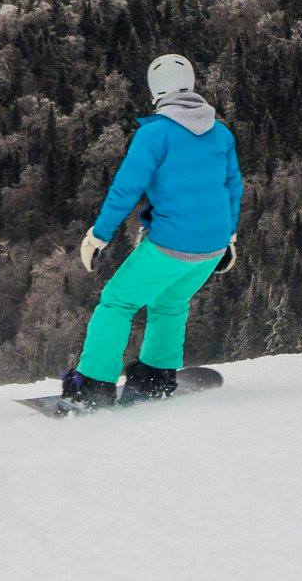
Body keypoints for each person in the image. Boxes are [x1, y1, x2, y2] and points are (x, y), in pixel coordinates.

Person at [61, 53, 243, 408]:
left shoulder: (154, 134)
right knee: (171, 302)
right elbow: (233, 186)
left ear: (153, 90)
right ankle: (157, 374)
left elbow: (126, 189)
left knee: (117, 301)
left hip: (172, 243)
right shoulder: (220, 133)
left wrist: (98, 236)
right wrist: (230, 240)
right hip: (214, 245)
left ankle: (93, 383)